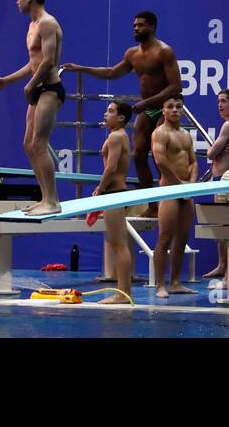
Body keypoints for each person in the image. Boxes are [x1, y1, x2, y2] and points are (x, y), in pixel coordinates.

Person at [61, 11, 180, 215]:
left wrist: (149, 103)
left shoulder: (164, 52)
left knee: (160, 155)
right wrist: (81, 68)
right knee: (139, 154)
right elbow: (111, 73)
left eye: (141, 25)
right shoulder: (132, 54)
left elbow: (176, 86)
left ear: (152, 27)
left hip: (164, 105)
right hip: (146, 106)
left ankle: (168, 200)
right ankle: (152, 204)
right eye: (134, 25)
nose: (136, 28)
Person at [0, 0, 65, 216]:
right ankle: (44, 198)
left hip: (50, 90)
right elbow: (34, 63)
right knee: (28, 144)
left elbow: (49, 62)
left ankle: (53, 201)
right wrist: (6, 80)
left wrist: (31, 86)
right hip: (38, 89)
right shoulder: (32, 26)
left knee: (38, 144)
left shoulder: (47, 23)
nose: (17, 2)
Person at [151, 97, 197, 298]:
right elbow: (160, 161)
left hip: (186, 190)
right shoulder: (160, 133)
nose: (175, 110)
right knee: (165, 237)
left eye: (178, 107)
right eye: (170, 107)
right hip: (170, 190)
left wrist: (192, 183)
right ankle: (160, 284)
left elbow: (193, 161)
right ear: (163, 111)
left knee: (182, 238)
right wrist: (179, 185)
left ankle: (176, 282)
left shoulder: (186, 134)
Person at [202, 88, 229, 281]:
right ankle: (223, 267)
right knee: (222, 226)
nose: (220, 105)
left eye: (224, 101)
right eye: (218, 101)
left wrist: (212, 150)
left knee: (226, 227)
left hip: (225, 181)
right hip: (225, 179)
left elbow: (211, 154)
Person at [93, 101, 134, 305]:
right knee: (118, 244)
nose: (105, 113)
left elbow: (111, 167)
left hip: (114, 192)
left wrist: (99, 189)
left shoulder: (117, 136)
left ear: (121, 118)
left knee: (119, 245)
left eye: (110, 111)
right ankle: (123, 292)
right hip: (114, 193)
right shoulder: (119, 135)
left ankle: (123, 293)